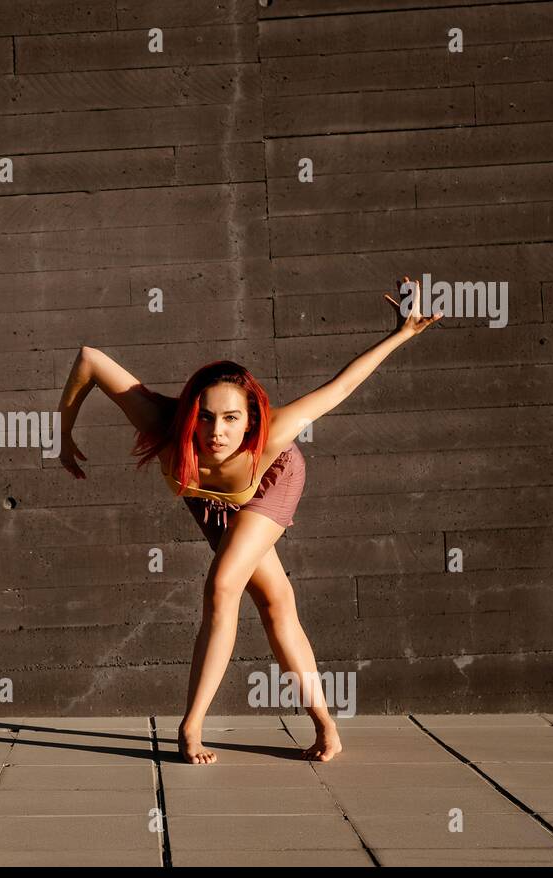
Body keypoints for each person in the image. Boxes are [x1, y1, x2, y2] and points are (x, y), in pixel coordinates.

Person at [57, 277, 443, 764]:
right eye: (205, 416)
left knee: (221, 587)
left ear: (251, 419)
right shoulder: (162, 423)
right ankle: (326, 723)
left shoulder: (275, 433)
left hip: (270, 483)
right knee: (277, 605)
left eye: (232, 419)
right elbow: (90, 358)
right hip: (211, 500)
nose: (216, 432)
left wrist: (402, 334)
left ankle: (191, 726)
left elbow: (341, 386)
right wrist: (62, 430)